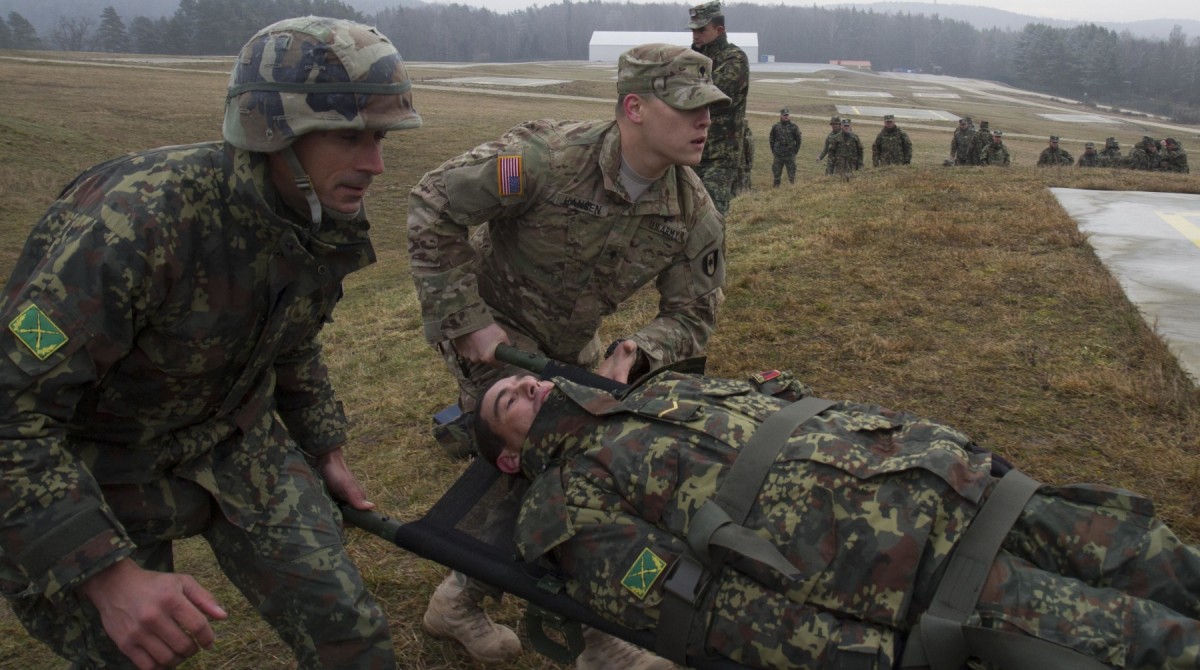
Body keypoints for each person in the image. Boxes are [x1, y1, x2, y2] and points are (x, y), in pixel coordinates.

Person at [0, 16, 420, 670]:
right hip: (97, 463)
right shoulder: (133, 225)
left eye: (379, 137)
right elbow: (10, 412)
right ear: (271, 133)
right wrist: (107, 578)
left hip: (233, 436)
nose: (375, 165)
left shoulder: (321, 213)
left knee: (351, 634)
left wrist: (324, 444)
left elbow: (291, 337)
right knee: (139, 654)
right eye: (348, 136)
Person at [477, 368, 1200, 670]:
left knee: (1158, 556)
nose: (531, 385)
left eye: (527, 377)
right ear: (511, 459)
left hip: (954, 485)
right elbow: (683, 600)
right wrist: (865, 652)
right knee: (1143, 640)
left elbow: (788, 401)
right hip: (911, 573)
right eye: (510, 400)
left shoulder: (661, 391)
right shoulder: (568, 501)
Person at [406, 42, 728, 668]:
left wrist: (636, 351)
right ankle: (580, 631)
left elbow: (694, 314)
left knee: (592, 464)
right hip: (495, 338)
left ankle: (477, 599)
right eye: (688, 107)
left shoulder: (691, 211)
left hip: (572, 349)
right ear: (633, 107)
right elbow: (432, 205)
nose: (705, 121)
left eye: (710, 107)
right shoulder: (543, 160)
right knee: (529, 470)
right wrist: (469, 323)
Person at [687, 0, 749, 216]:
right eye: (693, 30)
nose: (696, 35)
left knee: (710, 218)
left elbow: (709, 94)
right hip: (688, 151)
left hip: (719, 157)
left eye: (702, 30)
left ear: (719, 29)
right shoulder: (691, 58)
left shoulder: (734, 58)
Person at [768, 108, 802, 186]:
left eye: (787, 115)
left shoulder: (794, 127)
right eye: (784, 115)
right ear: (781, 116)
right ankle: (775, 190)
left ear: (789, 116)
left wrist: (794, 152)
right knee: (776, 175)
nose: (786, 117)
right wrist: (774, 151)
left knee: (792, 175)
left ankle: (792, 190)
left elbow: (798, 140)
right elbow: (771, 139)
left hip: (790, 155)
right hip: (778, 155)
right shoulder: (776, 126)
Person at [733, 119, 754, 195]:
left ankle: (744, 193)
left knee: (744, 179)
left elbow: (749, 151)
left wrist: (749, 163)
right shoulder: (745, 136)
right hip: (741, 163)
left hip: (743, 164)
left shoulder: (746, 137)